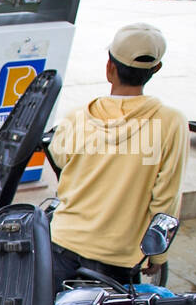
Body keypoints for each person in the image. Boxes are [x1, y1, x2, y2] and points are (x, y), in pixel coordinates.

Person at [47, 23, 188, 290]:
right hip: (119, 255)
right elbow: (167, 198)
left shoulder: (78, 117)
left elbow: (60, 157)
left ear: (109, 67)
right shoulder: (171, 123)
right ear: (156, 69)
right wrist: (158, 253)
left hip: (62, 243)